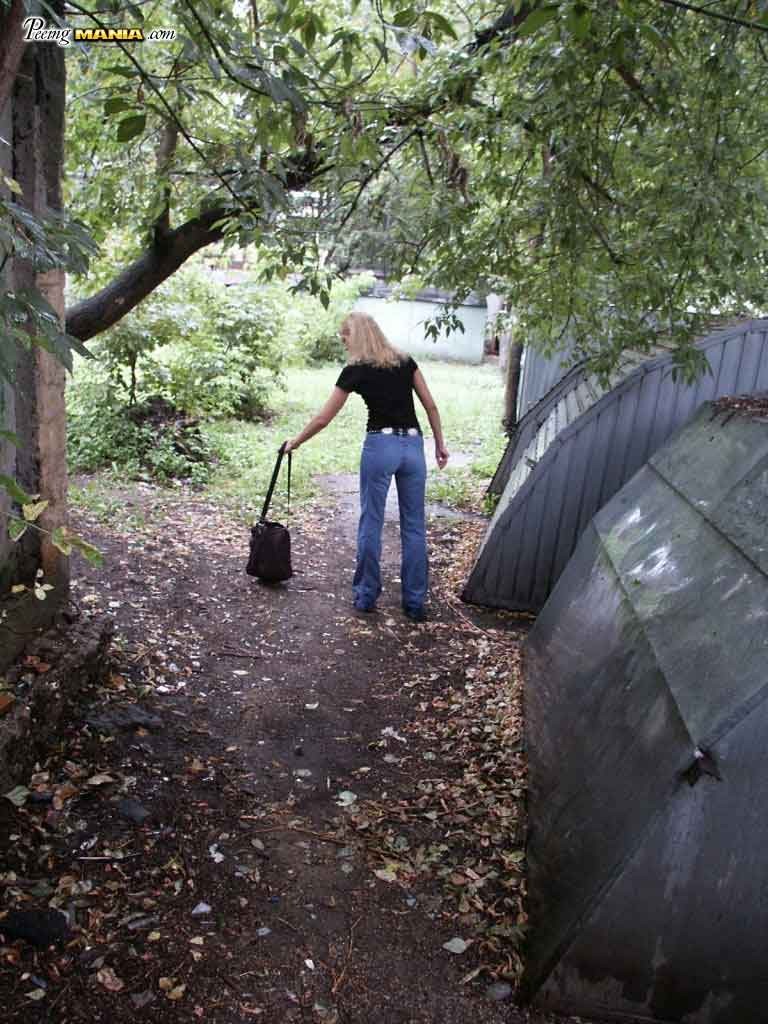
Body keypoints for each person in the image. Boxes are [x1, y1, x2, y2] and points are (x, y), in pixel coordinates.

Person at [284, 312, 449, 622]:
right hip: (414, 447)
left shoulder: (356, 369)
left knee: (371, 521)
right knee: (414, 526)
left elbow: (323, 418)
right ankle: (415, 603)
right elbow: (431, 405)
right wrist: (440, 444)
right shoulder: (405, 361)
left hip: (380, 447)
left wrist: (295, 442)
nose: (343, 341)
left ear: (355, 335)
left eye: (344, 335)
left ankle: (366, 596)